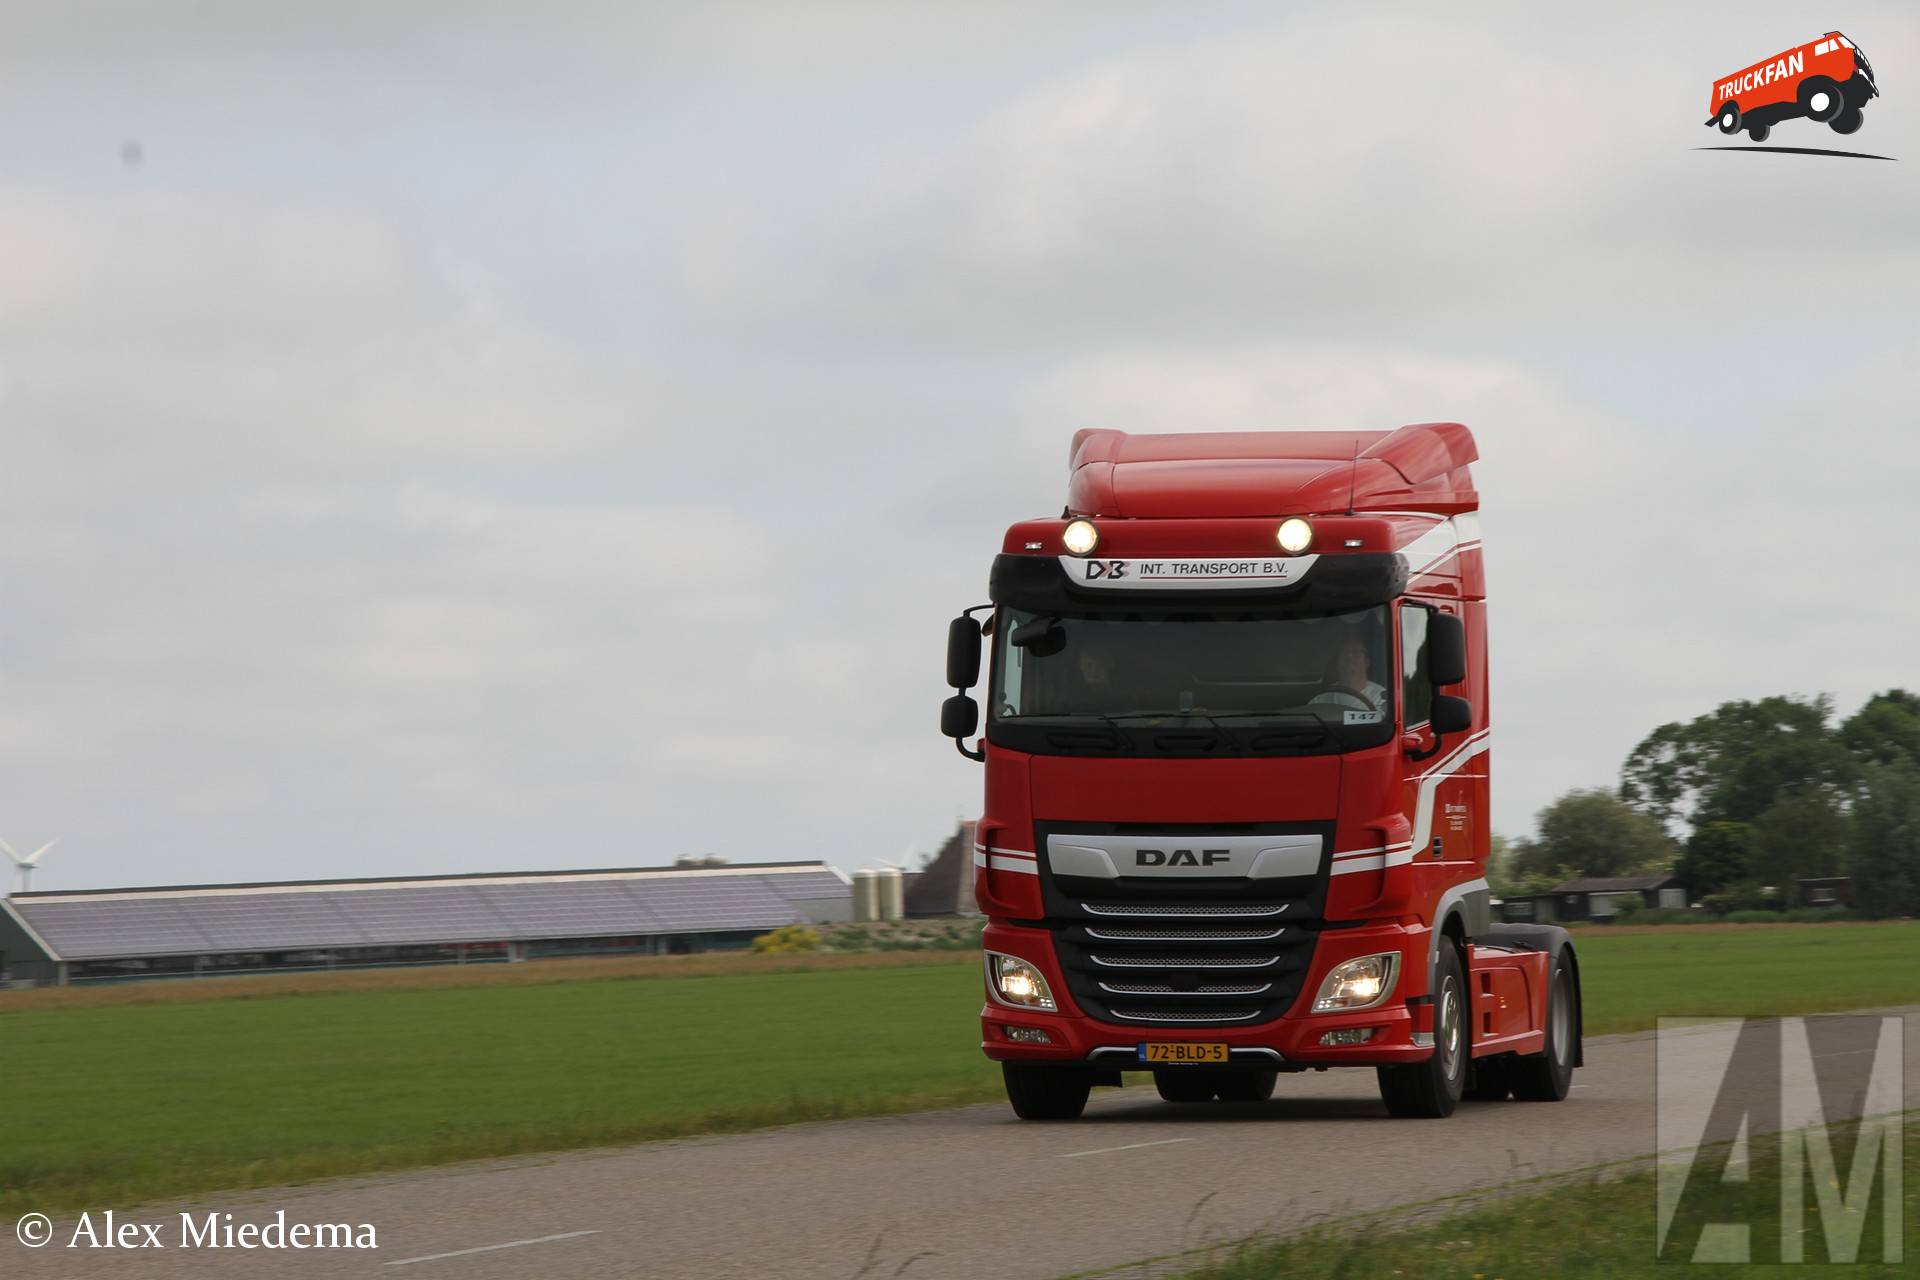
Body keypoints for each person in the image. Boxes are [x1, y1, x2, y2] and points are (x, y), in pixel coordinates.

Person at [1308, 629, 1387, 713]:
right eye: (1345, 652)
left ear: (1366, 661)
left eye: (1356, 652)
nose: (1349, 656)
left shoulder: (1381, 697)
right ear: (1338, 662)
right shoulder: (1321, 698)